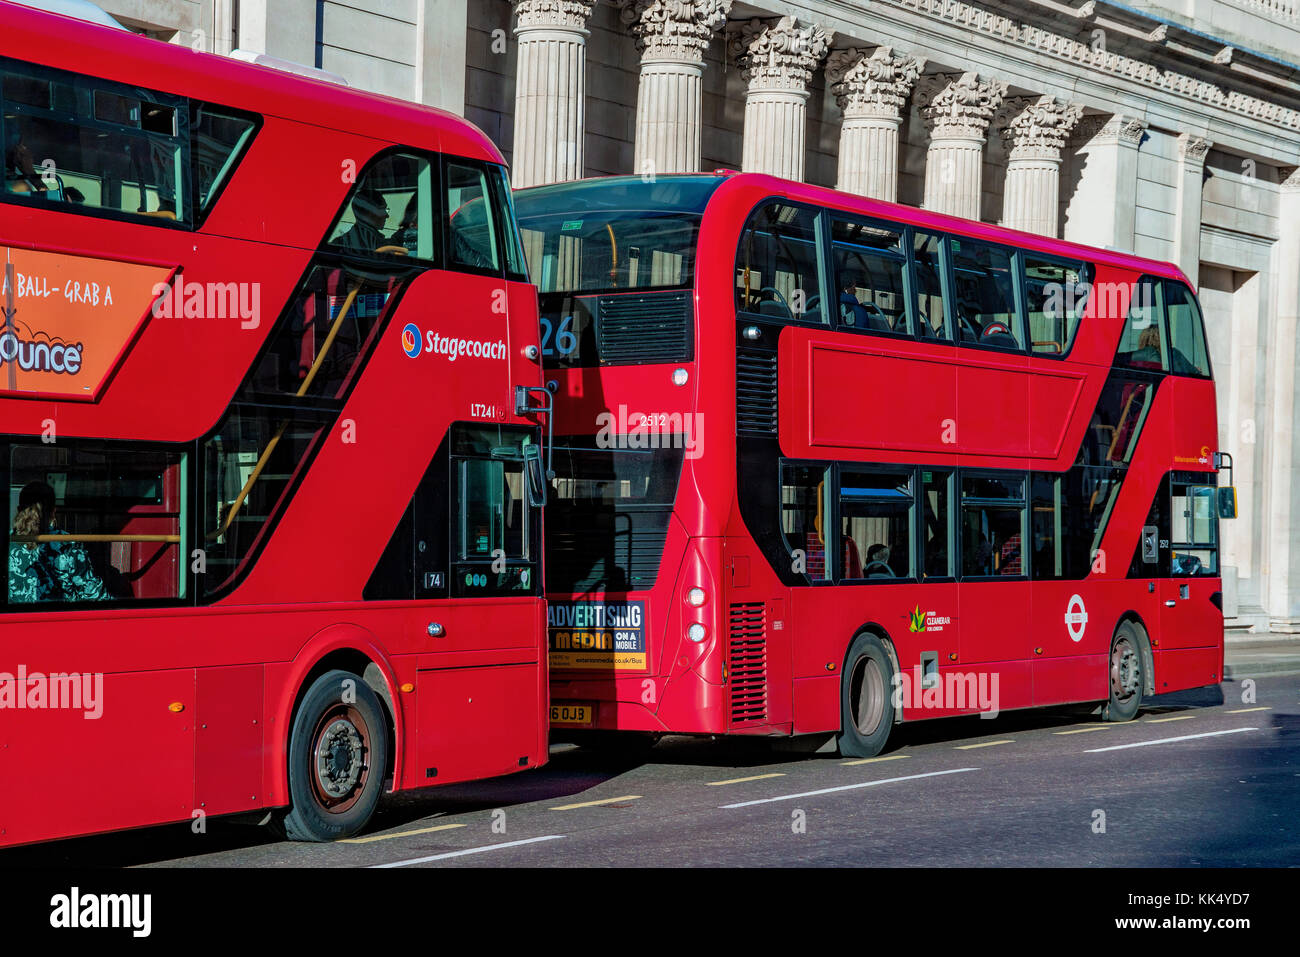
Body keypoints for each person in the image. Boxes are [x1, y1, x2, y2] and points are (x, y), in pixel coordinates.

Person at [9, 481, 109, 603]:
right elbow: (94, 595)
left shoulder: (7, 543)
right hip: (60, 619)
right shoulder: (68, 545)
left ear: (19, 510)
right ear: (53, 512)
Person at [334, 189, 389, 254]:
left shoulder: (339, 243)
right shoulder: (378, 245)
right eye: (382, 209)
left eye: (386, 210)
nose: (387, 215)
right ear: (370, 213)